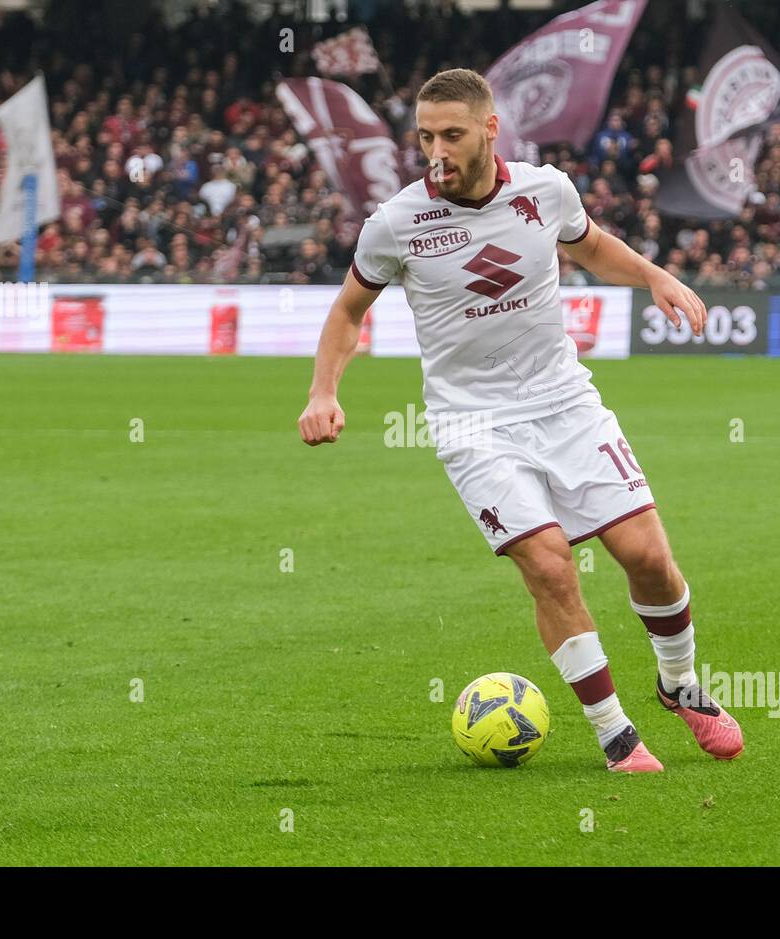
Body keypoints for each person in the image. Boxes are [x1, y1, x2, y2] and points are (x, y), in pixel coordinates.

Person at [297, 69, 743, 773]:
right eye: (425, 137)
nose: (436, 151)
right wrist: (324, 391)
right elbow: (348, 311)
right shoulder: (396, 223)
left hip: (565, 403)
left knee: (649, 559)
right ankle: (615, 733)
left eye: (451, 135)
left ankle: (679, 683)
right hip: (472, 423)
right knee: (548, 565)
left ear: (489, 128)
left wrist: (654, 274)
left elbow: (590, 245)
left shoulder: (546, 190)